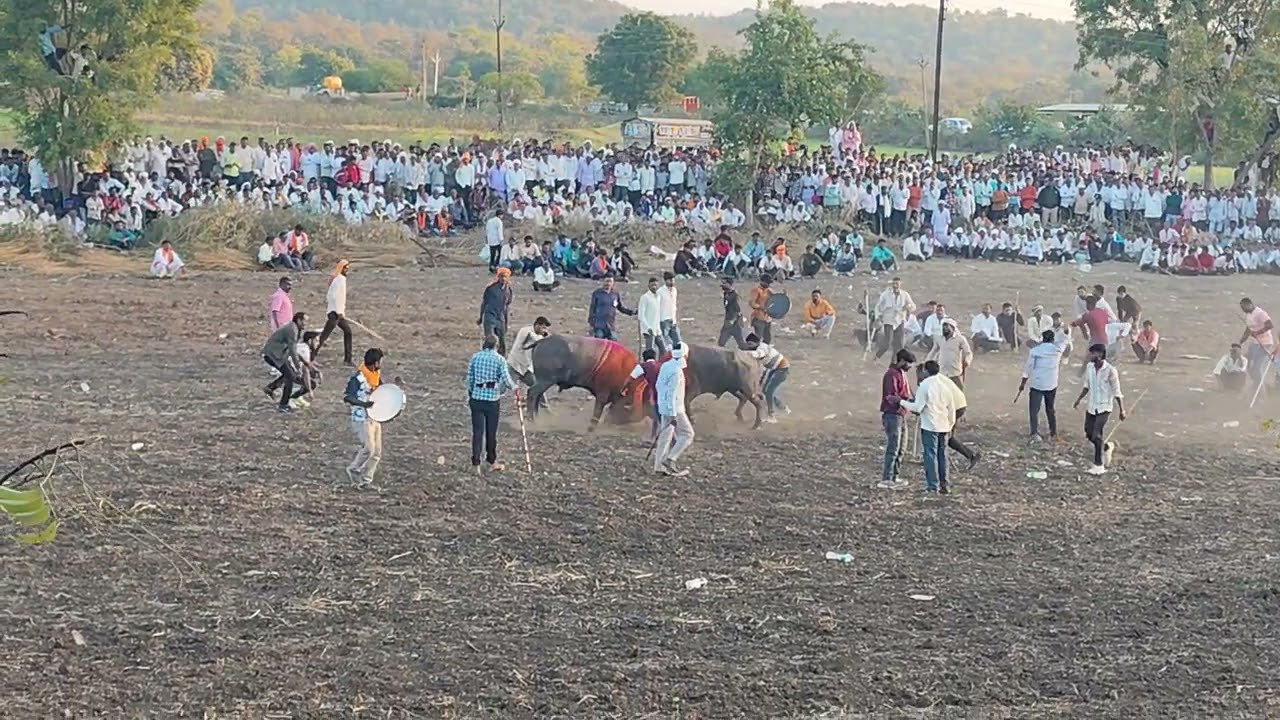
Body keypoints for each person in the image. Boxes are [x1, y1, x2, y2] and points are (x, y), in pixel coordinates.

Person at [900, 360, 958, 494]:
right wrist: (950, 424)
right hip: (944, 426)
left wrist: (902, 402)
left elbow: (918, 408)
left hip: (930, 426)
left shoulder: (925, 385)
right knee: (942, 456)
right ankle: (944, 485)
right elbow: (951, 408)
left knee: (930, 456)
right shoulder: (945, 385)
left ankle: (933, 486)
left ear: (926, 371)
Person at [467, 334, 518, 474]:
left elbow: (469, 379)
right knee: (491, 432)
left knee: (477, 432)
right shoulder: (500, 360)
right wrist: (515, 388)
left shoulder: (475, 357)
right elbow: (507, 380)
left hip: (477, 398)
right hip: (492, 400)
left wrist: (471, 393)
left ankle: (475, 464)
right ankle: (491, 461)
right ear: (496, 345)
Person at [1072, 343, 1126, 475]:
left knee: (1097, 433)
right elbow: (1087, 385)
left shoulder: (1110, 370)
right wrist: (1079, 399)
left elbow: (1116, 391)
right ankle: (1106, 447)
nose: (1091, 355)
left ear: (1100, 355)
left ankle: (1099, 465)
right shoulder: (1090, 367)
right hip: (1092, 406)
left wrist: (1122, 410)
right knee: (1088, 432)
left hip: (1105, 407)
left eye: (1093, 353)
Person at [342, 348, 385, 487]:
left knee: (377, 452)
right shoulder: (358, 378)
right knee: (369, 448)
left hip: (374, 417)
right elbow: (348, 397)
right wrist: (364, 404)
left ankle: (366, 480)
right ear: (375, 363)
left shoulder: (375, 376)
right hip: (361, 417)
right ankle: (354, 469)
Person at [1018, 329, 1068, 442]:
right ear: (1052, 339)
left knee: (1034, 410)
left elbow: (1028, 368)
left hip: (1037, 383)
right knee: (1050, 409)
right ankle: (1053, 433)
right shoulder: (1058, 350)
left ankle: (1034, 433)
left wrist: (1023, 383)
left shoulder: (1035, 351)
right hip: (1051, 384)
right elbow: (1065, 340)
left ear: (1043, 338)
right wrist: (1065, 331)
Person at [653, 344, 694, 477]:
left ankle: (659, 466)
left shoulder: (666, 366)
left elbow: (658, 385)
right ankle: (670, 459)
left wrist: (663, 406)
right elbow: (672, 393)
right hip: (675, 409)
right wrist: (673, 415)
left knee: (665, 437)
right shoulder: (677, 371)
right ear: (685, 355)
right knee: (688, 434)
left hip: (664, 407)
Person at [879, 349, 915, 490]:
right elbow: (892, 396)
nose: (910, 366)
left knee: (902, 447)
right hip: (892, 414)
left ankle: (895, 476)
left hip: (901, 414)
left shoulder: (902, 374)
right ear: (901, 361)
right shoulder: (891, 375)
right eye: (908, 363)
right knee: (893, 447)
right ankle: (886, 478)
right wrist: (908, 401)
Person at [262, 311, 307, 413]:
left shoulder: (294, 328)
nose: (306, 324)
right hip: (274, 355)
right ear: (299, 320)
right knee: (290, 377)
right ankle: (283, 404)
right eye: (304, 321)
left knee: (289, 373)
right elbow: (292, 349)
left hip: (278, 355)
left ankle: (271, 388)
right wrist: (298, 366)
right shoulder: (292, 330)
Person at [745, 333, 789, 422]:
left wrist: (745, 353)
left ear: (756, 342)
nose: (749, 346)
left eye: (750, 344)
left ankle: (771, 415)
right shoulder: (758, 347)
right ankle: (783, 408)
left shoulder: (762, 348)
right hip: (775, 369)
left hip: (781, 369)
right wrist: (760, 383)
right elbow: (763, 369)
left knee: (769, 392)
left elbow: (758, 354)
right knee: (766, 391)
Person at [317, 259, 354, 366]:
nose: (347, 270)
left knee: (348, 332)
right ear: (341, 268)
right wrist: (338, 311)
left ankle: (348, 359)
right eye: (346, 268)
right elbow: (333, 296)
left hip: (336, 313)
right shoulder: (339, 279)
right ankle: (311, 355)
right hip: (335, 314)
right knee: (324, 336)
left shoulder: (339, 279)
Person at [873, 277, 916, 359]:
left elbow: (913, 306)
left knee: (900, 344)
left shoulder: (905, 294)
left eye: (897, 284)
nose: (895, 286)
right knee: (888, 342)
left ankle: (894, 362)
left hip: (900, 320)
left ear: (900, 284)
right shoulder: (886, 294)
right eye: (894, 284)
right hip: (888, 320)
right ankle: (876, 357)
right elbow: (877, 306)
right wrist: (878, 316)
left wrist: (908, 307)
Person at [1238, 297, 1276, 386]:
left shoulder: (1260, 313)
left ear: (1249, 304)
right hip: (1254, 344)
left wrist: (1258, 332)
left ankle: (1260, 389)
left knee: (1256, 367)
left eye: (1244, 307)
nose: (1243, 310)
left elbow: (1269, 325)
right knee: (1245, 362)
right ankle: (1256, 382)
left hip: (1264, 343)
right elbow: (1248, 330)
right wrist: (1240, 343)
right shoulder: (1248, 315)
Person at [925, 318, 972, 388]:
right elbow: (933, 351)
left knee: (959, 393)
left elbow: (968, 353)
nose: (944, 328)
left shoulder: (960, 339)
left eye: (947, 326)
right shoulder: (939, 338)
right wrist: (926, 362)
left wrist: (967, 361)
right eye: (943, 326)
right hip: (942, 371)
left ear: (953, 328)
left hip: (955, 372)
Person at [508, 316, 551, 389]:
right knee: (503, 388)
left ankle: (541, 401)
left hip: (525, 368)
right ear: (537, 325)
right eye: (543, 328)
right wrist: (545, 338)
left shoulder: (539, 337)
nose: (544, 330)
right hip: (515, 365)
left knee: (537, 387)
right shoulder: (525, 331)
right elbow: (530, 340)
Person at [629, 348, 662, 444]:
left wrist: (624, 388)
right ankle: (654, 437)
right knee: (659, 417)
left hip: (656, 394)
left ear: (644, 358)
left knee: (659, 417)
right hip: (666, 392)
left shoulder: (643, 366)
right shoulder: (660, 365)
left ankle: (665, 439)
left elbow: (631, 378)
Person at [587, 276, 635, 340]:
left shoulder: (615, 294)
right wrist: (591, 324)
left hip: (610, 325)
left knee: (613, 341)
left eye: (610, 282)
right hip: (599, 325)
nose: (608, 283)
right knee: (600, 344)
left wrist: (631, 312)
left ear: (613, 283)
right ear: (603, 281)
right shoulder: (597, 293)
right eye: (607, 281)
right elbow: (592, 309)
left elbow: (620, 307)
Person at [478, 267, 513, 355]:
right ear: (498, 276)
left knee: (502, 340)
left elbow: (506, 307)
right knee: (490, 338)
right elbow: (484, 303)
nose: (503, 279)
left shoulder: (508, 290)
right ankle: (485, 356)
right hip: (490, 315)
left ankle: (501, 359)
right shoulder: (491, 288)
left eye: (505, 277)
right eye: (501, 276)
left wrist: (505, 322)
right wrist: (481, 317)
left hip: (500, 317)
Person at [637, 277, 665, 355]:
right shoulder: (645, 297)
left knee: (663, 349)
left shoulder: (658, 297)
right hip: (648, 330)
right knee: (650, 351)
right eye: (652, 285)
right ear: (649, 286)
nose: (654, 287)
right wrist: (648, 327)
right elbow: (641, 315)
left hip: (657, 329)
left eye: (655, 285)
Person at [718, 276, 747, 349]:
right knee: (722, 342)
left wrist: (732, 320)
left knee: (739, 342)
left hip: (732, 321)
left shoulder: (733, 295)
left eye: (724, 283)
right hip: (730, 320)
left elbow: (737, 309)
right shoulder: (726, 293)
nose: (722, 285)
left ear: (729, 284)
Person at [657, 272, 680, 349]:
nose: (672, 282)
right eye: (670, 280)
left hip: (673, 320)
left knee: (678, 342)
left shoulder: (674, 290)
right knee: (665, 344)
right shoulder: (660, 292)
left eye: (673, 280)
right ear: (666, 281)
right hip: (664, 320)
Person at [748, 275, 774, 344]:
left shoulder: (769, 291)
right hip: (758, 317)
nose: (768, 285)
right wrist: (761, 307)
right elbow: (752, 303)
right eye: (767, 283)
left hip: (767, 317)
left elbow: (775, 300)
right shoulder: (756, 290)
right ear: (762, 281)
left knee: (767, 338)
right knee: (757, 337)